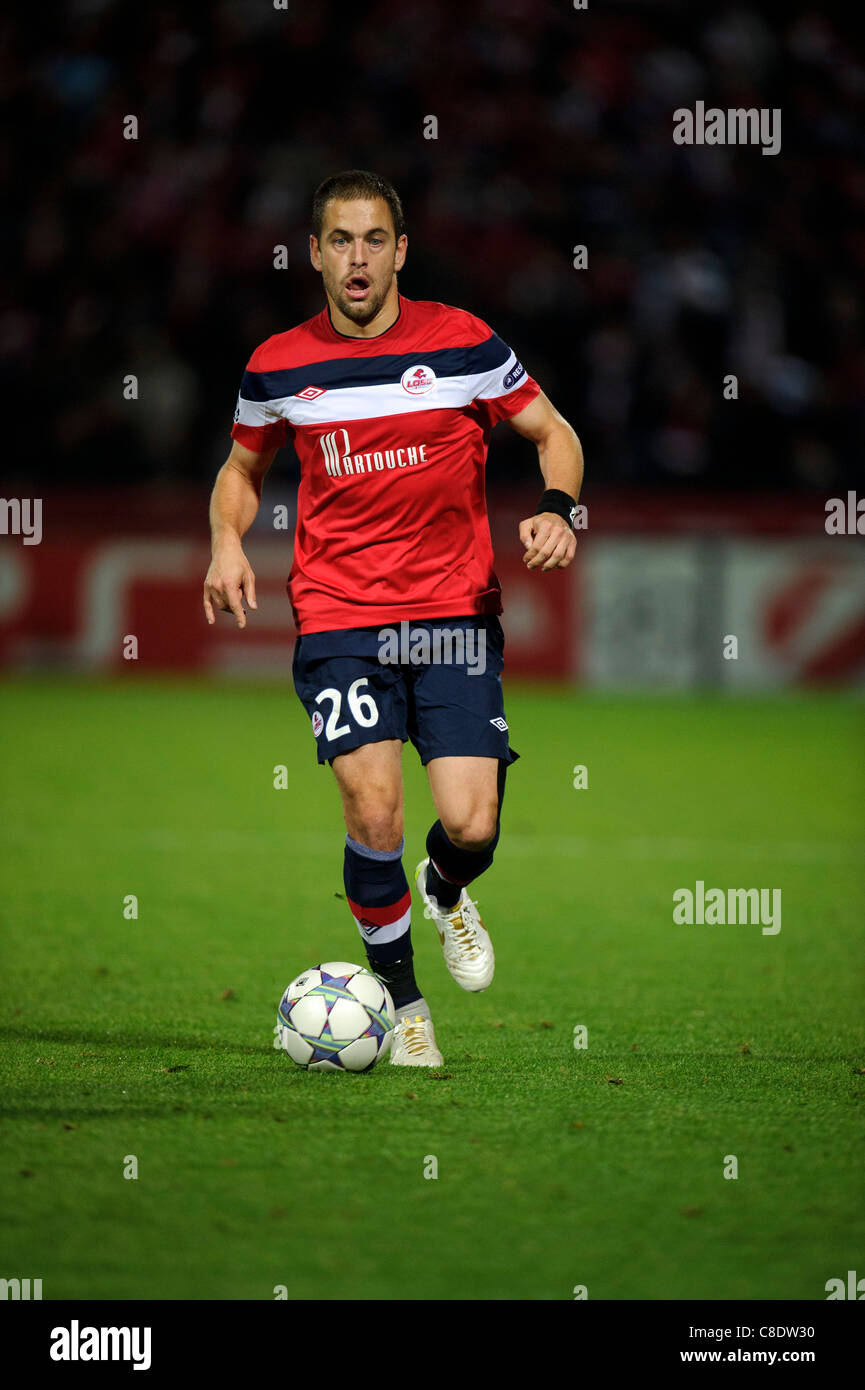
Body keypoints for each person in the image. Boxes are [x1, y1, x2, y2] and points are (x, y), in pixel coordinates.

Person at [204, 170, 583, 1066]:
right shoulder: (277, 362)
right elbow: (240, 470)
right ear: (314, 254)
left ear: (401, 250)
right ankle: (404, 1008)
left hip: (454, 615)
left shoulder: (464, 344)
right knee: (372, 805)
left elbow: (552, 431)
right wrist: (225, 543)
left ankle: (447, 892)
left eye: (375, 239)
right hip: (339, 618)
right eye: (340, 240)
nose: (358, 258)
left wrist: (558, 505)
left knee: (472, 824)